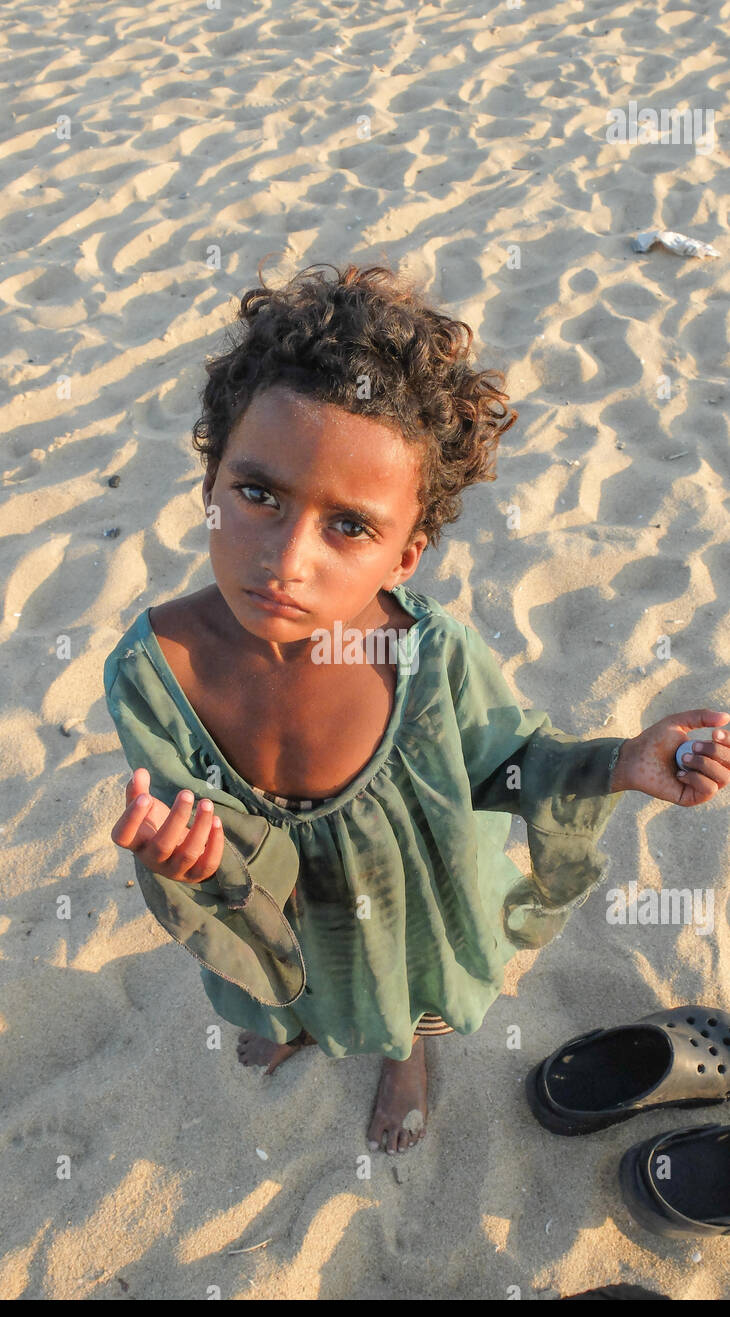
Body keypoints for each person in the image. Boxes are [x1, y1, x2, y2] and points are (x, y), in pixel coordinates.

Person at [103, 261, 730, 1157]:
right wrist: (187, 857)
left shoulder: (428, 659)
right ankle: (304, 1024)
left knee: (408, 993)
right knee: (296, 986)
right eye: (258, 495)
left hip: (408, 905)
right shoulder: (152, 674)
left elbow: (507, 764)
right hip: (277, 911)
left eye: (348, 526)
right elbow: (206, 842)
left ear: (406, 555)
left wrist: (614, 762)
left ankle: (404, 1060)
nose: (287, 558)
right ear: (210, 484)